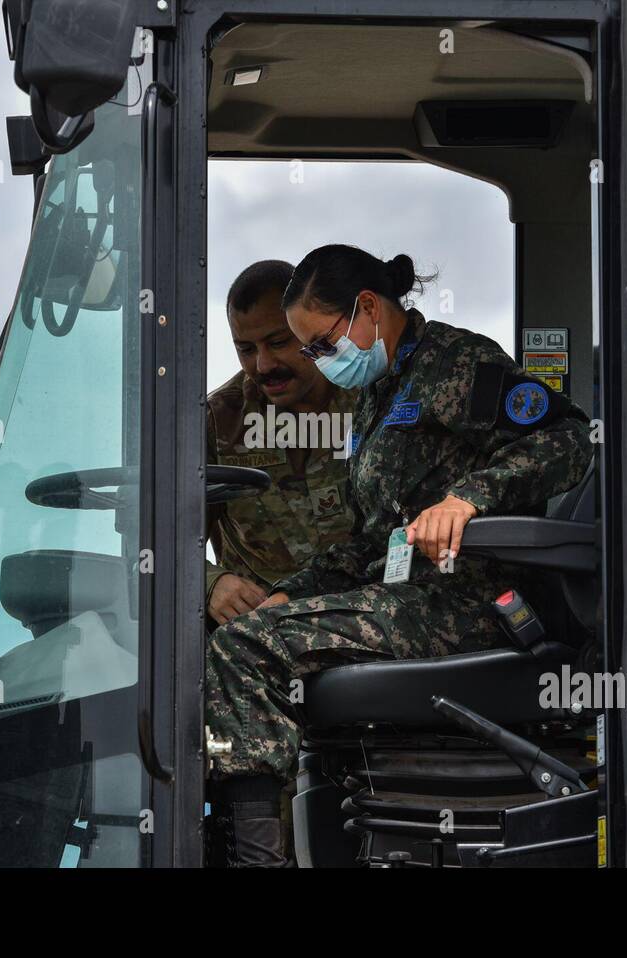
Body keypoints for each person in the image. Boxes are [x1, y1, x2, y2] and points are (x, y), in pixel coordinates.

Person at [205, 245, 594, 866]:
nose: (318, 362)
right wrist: (291, 593)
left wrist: (468, 499)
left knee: (245, 648)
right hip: (406, 594)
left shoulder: (456, 362)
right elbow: (372, 541)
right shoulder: (381, 391)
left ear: (367, 308)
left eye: (321, 344)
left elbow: (569, 438)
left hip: (468, 602)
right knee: (248, 631)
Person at [206, 260, 359, 627]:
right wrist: (209, 583)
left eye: (278, 343)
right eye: (246, 349)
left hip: (362, 619)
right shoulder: (217, 421)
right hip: (255, 630)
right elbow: (160, 536)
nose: (263, 365)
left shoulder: (371, 399)